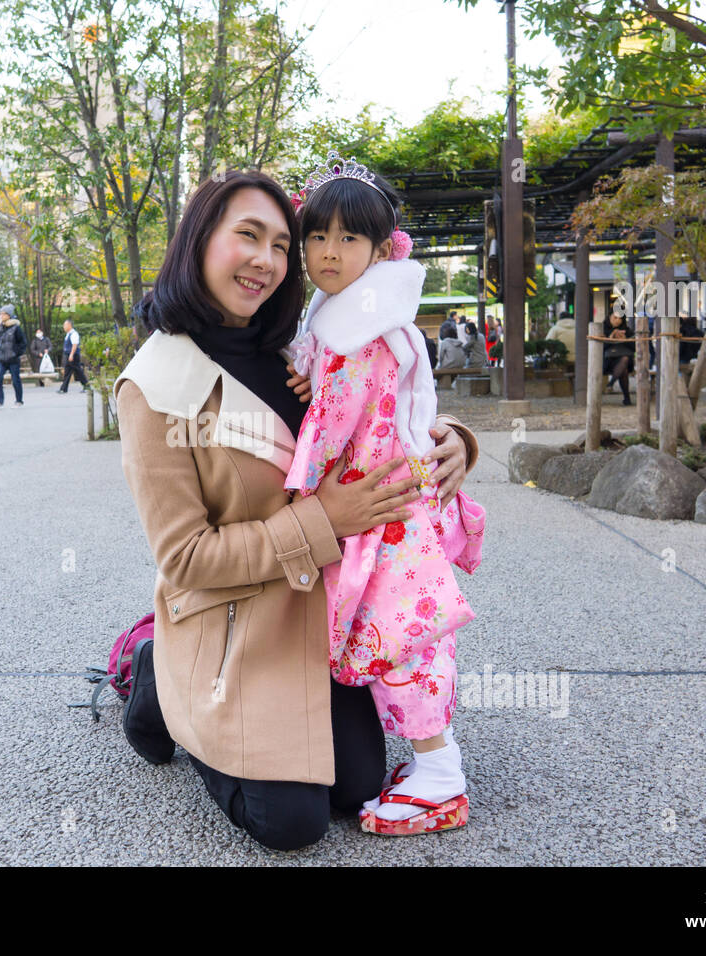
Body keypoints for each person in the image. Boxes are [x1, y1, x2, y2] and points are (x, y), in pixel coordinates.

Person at [112, 169, 480, 851]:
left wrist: (454, 440)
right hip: (234, 624)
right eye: (248, 236)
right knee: (292, 824)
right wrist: (326, 521)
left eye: (282, 245)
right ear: (199, 240)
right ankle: (156, 675)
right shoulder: (156, 387)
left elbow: (382, 408)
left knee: (358, 787)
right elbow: (185, 558)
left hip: (318, 612)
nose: (267, 259)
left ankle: (169, 680)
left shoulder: (302, 344)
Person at [285, 154, 484, 835]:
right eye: (317, 236)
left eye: (349, 238)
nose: (328, 252)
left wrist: (299, 492)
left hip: (379, 505)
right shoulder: (363, 317)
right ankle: (433, 766)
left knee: (400, 637)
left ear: (381, 248)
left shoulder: (356, 331)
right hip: (393, 499)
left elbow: (331, 424)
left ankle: (441, 779)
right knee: (406, 635)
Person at [0, 305, 27, 407]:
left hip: (13, 359)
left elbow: (23, 343)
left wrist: (16, 353)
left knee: (15, 380)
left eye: (3, 314)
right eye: (1, 314)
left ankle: (19, 400)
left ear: (9, 315)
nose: (1, 316)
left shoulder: (16, 328)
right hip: (1, 359)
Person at [602, 311, 635, 405]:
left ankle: (611, 383)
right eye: (615, 318)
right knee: (624, 369)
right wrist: (610, 338)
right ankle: (626, 398)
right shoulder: (602, 329)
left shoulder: (627, 331)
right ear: (609, 317)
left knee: (624, 360)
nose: (617, 321)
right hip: (608, 361)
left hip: (625, 361)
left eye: (620, 318)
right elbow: (600, 348)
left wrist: (625, 340)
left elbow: (635, 348)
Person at [58, 319, 89, 394]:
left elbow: (74, 345)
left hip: (73, 355)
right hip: (68, 355)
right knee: (67, 372)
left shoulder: (74, 334)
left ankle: (87, 386)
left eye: (65, 325)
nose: (63, 327)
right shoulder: (68, 334)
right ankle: (63, 388)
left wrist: (71, 354)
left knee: (78, 371)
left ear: (69, 325)